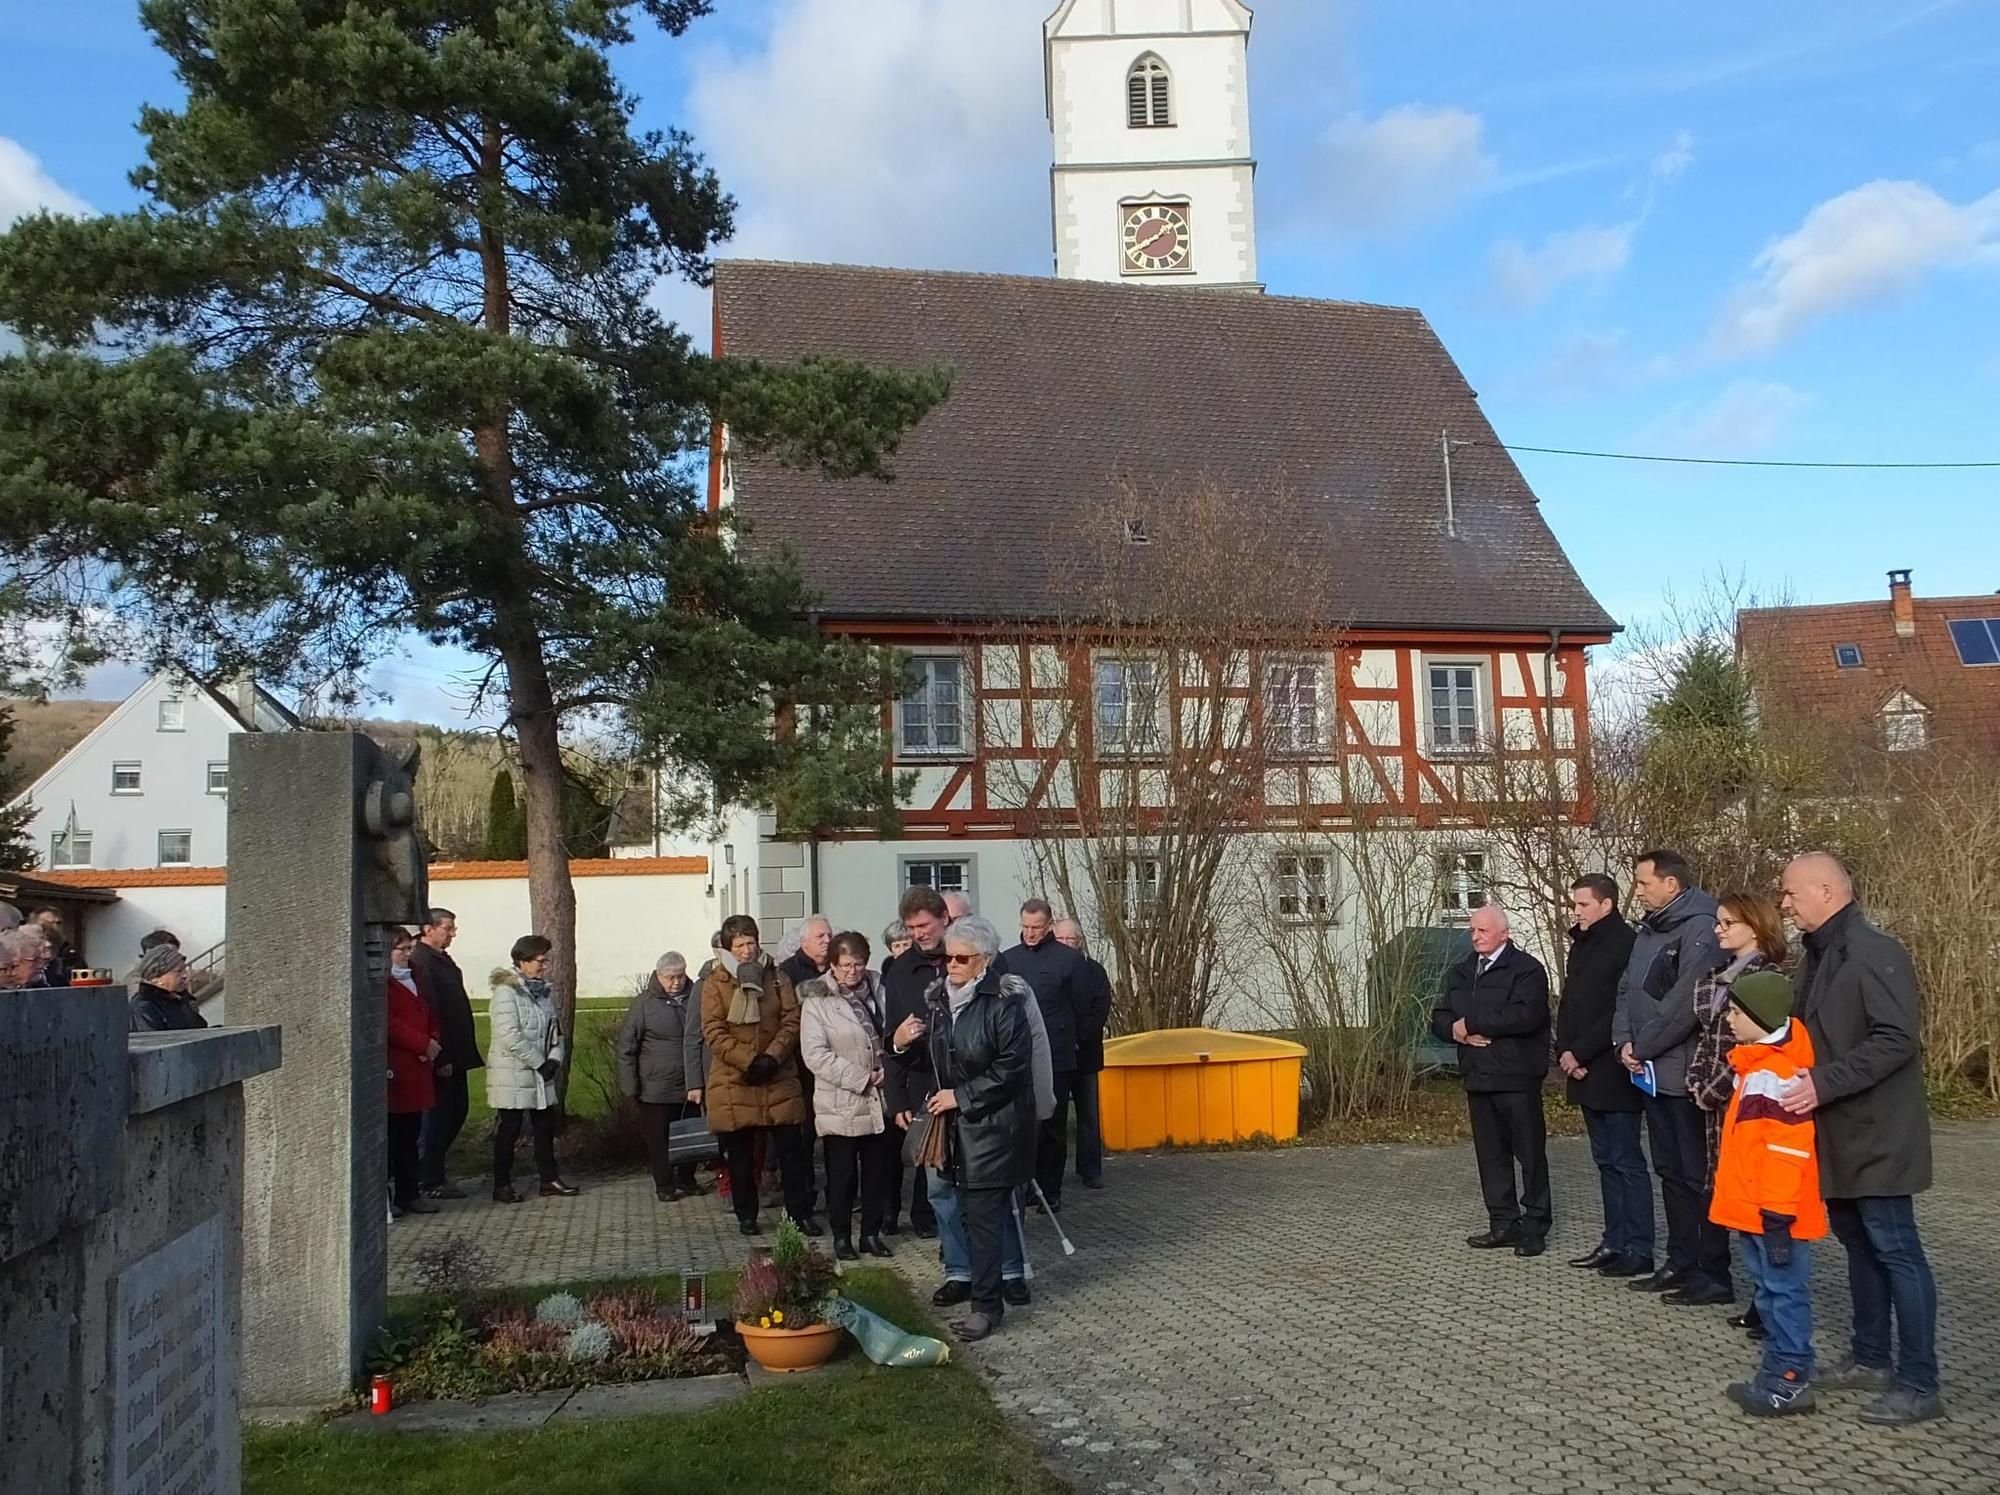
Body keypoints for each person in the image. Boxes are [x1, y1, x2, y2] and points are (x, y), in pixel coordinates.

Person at [1778, 852, 1942, 1426]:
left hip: (1878, 1132)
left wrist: (1822, 1083)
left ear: (1827, 890)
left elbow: (1897, 1040)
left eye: (1792, 893)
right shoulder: (1815, 958)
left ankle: (1920, 1382)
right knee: (1858, 1244)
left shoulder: (1876, 952)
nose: (1784, 903)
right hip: (1836, 1133)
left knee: (1896, 1249)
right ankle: (1870, 1357)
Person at [1709, 969, 1825, 1417]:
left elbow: (1784, 1151)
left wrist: (1776, 1214)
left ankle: (1791, 1377)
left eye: (1737, 1012)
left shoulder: (1773, 1075)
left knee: (1784, 1292)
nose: (1731, 1020)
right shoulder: (1754, 1066)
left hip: (1774, 1212)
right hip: (1755, 1209)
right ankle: (1777, 1370)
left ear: (1760, 1017)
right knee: (1768, 1290)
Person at [1613, 849, 1727, 1303]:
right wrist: (1623, 1041)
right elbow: (1626, 990)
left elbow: (1686, 1004)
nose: (1636, 892)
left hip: (1684, 1074)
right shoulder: (1648, 930)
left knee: (1695, 1174)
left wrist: (1643, 1047)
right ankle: (1680, 1261)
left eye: (1643, 884)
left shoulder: (1701, 928)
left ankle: (1711, 1269)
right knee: (1669, 1171)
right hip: (1649, 1071)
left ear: (1671, 885)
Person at [918, 914, 1037, 1342]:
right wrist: (898, 1043)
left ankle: (987, 1307)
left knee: (985, 1220)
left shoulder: (1004, 1004)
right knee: (965, 1216)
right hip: (954, 1133)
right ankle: (979, 1292)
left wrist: (961, 1097)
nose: (951, 965)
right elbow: (932, 1062)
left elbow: (1011, 1069)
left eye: (962, 959)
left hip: (993, 1131)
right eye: (947, 957)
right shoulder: (938, 1005)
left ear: (983, 961)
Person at [1686, 891, 1789, 1337]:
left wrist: (1715, 1087)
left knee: (1754, 1199)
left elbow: (1757, 1047)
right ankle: (1738, 1284)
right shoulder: (1714, 976)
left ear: (1756, 925)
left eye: (1729, 923)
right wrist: (1695, 1079)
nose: (1719, 930)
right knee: (1718, 1189)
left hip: (1747, 1098)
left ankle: (1769, 1302)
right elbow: (1708, 1039)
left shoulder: (1769, 979)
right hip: (1710, 1096)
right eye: (1718, 923)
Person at [1431, 905, 1553, 1256]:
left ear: (1503, 932)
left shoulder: (1527, 969)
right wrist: (1455, 1030)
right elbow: (1440, 1015)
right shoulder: (1461, 971)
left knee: (1530, 1154)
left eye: (1482, 931)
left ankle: (1535, 1225)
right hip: (1477, 1075)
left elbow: (1526, 1015)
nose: (1475, 936)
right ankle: (1503, 1222)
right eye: (1472, 931)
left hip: (1516, 1076)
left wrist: (1472, 1023)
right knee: (1491, 1156)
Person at [1553, 875, 1646, 1276]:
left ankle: (1639, 1246)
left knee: (1626, 1161)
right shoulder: (1582, 943)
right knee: (1604, 1160)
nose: (1576, 912)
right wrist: (1563, 1050)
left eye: (1583, 905)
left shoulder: (1625, 944)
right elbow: (1571, 1002)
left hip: (1613, 1067)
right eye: (1574, 906)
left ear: (1606, 905)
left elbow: (1617, 1008)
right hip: (1582, 1068)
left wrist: (1582, 1050)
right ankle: (1613, 1240)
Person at [701, 914, 814, 1236]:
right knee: (740, 1156)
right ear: (728, 949)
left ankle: (799, 1213)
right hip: (736, 1078)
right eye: (739, 945)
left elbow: (792, 1019)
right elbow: (713, 1030)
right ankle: (746, 1214)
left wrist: (772, 1057)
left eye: (751, 942)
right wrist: (749, 1061)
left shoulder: (777, 977)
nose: (747, 950)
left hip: (777, 1074)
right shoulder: (715, 983)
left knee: (792, 1152)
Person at [800, 931, 897, 1261]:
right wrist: (861, 1079)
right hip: (841, 1100)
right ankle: (842, 1237)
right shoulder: (818, 1000)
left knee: (877, 1172)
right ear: (832, 966)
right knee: (842, 1176)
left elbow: (893, 1033)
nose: (852, 972)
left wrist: (889, 1068)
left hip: (881, 1099)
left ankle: (871, 1233)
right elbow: (815, 1055)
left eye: (857, 964)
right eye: (844, 966)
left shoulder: (881, 989)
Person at [486, 935, 579, 1204]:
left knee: (544, 1127)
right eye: (540, 961)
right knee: (510, 1129)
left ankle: (549, 1178)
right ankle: (501, 1184)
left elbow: (554, 1030)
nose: (545, 966)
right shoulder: (506, 992)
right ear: (522, 961)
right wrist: (540, 1062)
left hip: (540, 1073)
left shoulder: (542, 992)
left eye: (546, 960)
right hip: (513, 1072)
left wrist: (554, 1058)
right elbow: (509, 1035)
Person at [616, 951, 710, 1202]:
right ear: (659, 976)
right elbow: (627, 1046)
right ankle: (664, 1184)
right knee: (658, 1140)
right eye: (670, 977)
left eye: (680, 976)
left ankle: (687, 1178)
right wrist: (630, 1086)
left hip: (690, 1082)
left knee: (692, 1133)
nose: (677, 982)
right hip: (654, 1087)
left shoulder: (696, 996)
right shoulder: (644, 1004)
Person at [883, 886, 949, 1239]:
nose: (918, 934)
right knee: (931, 1170)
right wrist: (896, 1099)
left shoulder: (966, 956)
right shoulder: (900, 971)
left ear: (944, 919)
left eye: (924, 925)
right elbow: (888, 1037)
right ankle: (930, 1224)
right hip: (923, 1080)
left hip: (965, 1080)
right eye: (911, 928)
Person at [411, 907, 483, 1198]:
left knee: (456, 1112)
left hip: (458, 1051)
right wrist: (442, 1057)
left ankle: (432, 1171)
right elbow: (433, 1011)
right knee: (440, 1117)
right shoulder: (422, 962)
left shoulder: (441, 959)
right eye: (448, 928)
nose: (452, 933)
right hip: (445, 1054)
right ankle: (429, 1177)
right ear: (429, 929)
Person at [386, 927, 443, 1218]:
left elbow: (427, 1011)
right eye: (402, 950)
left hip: (420, 1060)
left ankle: (410, 1193)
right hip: (397, 1064)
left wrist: (432, 1039)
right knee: (395, 1135)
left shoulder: (415, 975)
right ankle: (392, 1195)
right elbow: (389, 1022)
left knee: (411, 1132)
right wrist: (421, 1042)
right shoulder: (383, 982)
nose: (408, 955)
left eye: (410, 948)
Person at [778, 914, 833, 1216]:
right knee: (803, 1140)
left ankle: (840, 1195)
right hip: (800, 1070)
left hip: (834, 1067)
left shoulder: (839, 968)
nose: (827, 941)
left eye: (829, 935)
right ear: (803, 942)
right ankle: (804, 1201)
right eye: (820, 936)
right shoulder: (787, 973)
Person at [1053, 918, 1112, 1190]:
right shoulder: (1048, 971)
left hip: (1085, 1055)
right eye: (1060, 939)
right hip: (1055, 1058)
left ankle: (1091, 1170)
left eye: (1070, 939)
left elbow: (1099, 1011)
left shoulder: (1095, 972)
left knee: (1088, 1116)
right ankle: (1052, 1173)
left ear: (1080, 941)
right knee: (1054, 1118)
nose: (1066, 945)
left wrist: (1077, 1039)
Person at [130, 944, 206, 1032]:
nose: (185, 975)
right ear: (156, 978)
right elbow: (152, 1041)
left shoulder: (181, 1000)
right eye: (178, 971)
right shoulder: (144, 1007)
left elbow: (199, 1031)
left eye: (184, 969)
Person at [26, 908, 75, 987]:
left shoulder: (70, 952)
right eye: (48, 924)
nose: (55, 927)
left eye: (58, 923)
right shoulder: (24, 954)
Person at [0, 924, 52, 989]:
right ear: (11, 966)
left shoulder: (41, 987)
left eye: (42, 959)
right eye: (35, 960)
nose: (41, 965)